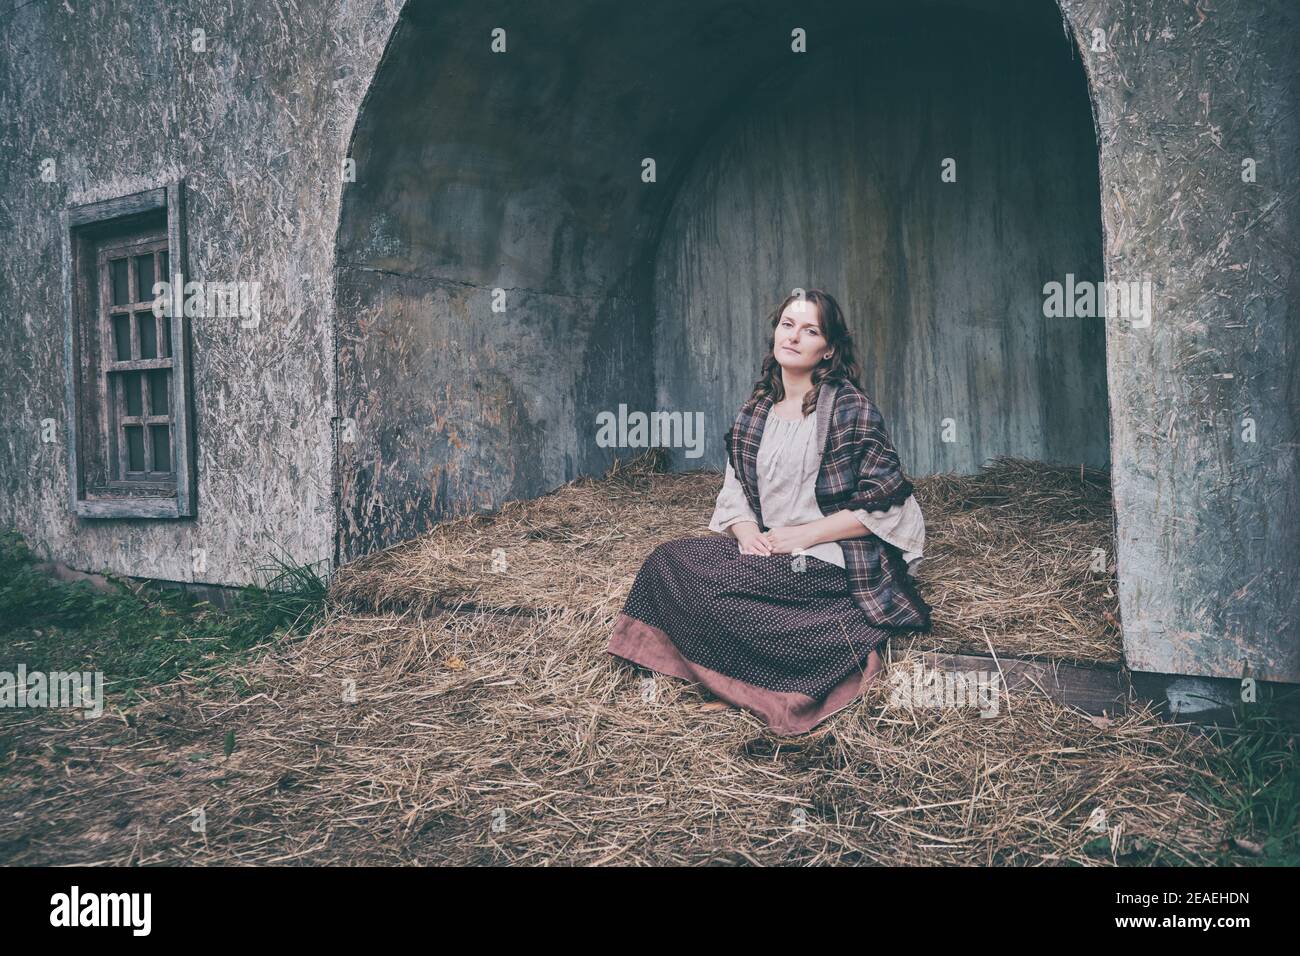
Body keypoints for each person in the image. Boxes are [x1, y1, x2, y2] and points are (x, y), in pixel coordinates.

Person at [605, 289, 932, 735]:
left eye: (810, 330)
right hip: (769, 548)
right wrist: (744, 533)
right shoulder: (757, 410)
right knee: (667, 561)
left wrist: (805, 535)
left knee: (739, 590)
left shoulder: (850, 409)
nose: (794, 337)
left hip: (830, 555)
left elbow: (889, 503)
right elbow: (734, 489)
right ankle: (736, 682)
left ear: (828, 349)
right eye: (787, 325)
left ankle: (765, 688)